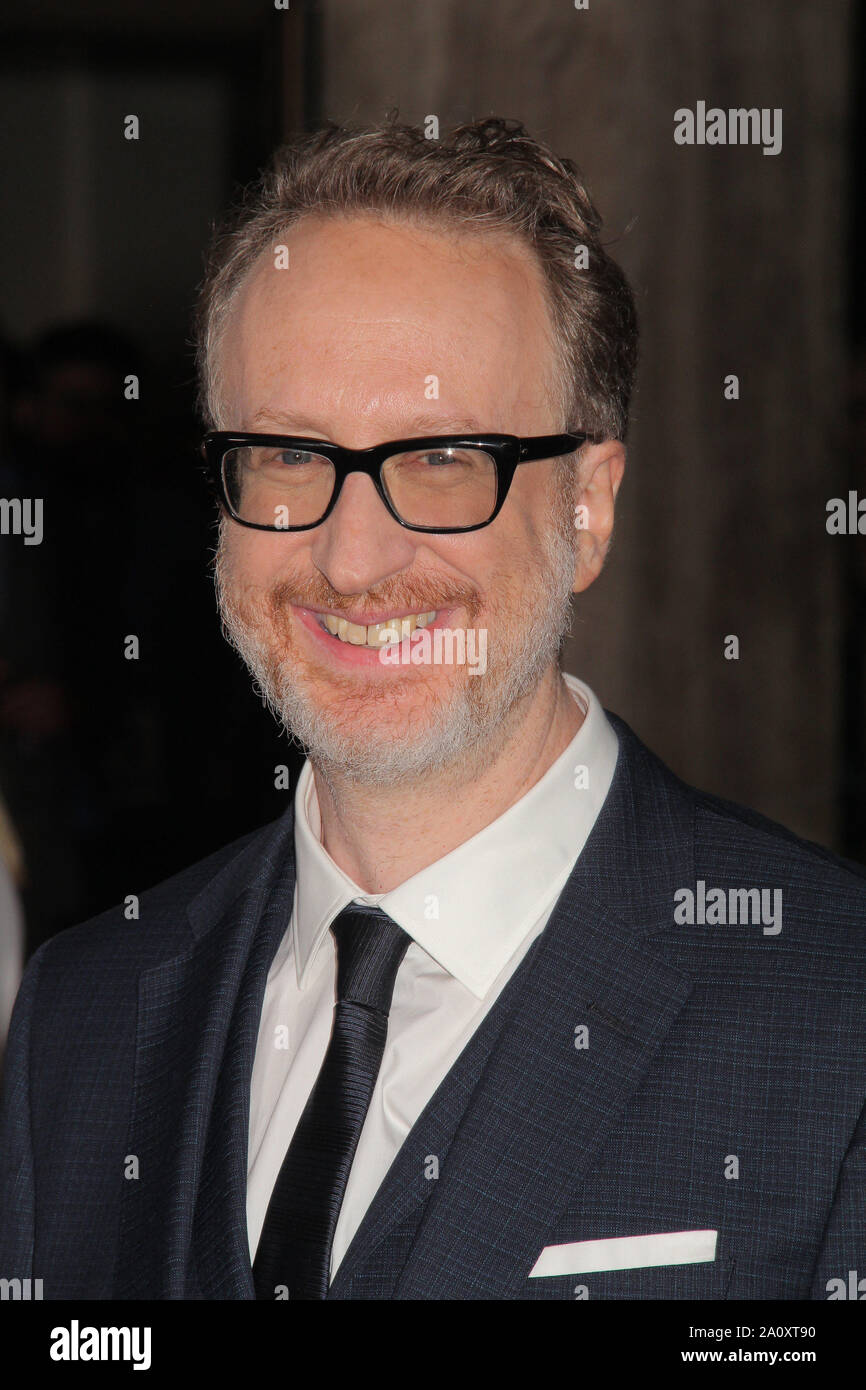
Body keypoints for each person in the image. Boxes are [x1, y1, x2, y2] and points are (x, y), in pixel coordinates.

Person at [1, 116, 864, 1301]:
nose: (353, 561)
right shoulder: (83, 1007)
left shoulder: (831, 1005)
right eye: (291, 455)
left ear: (587, 510)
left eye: (444, 457)